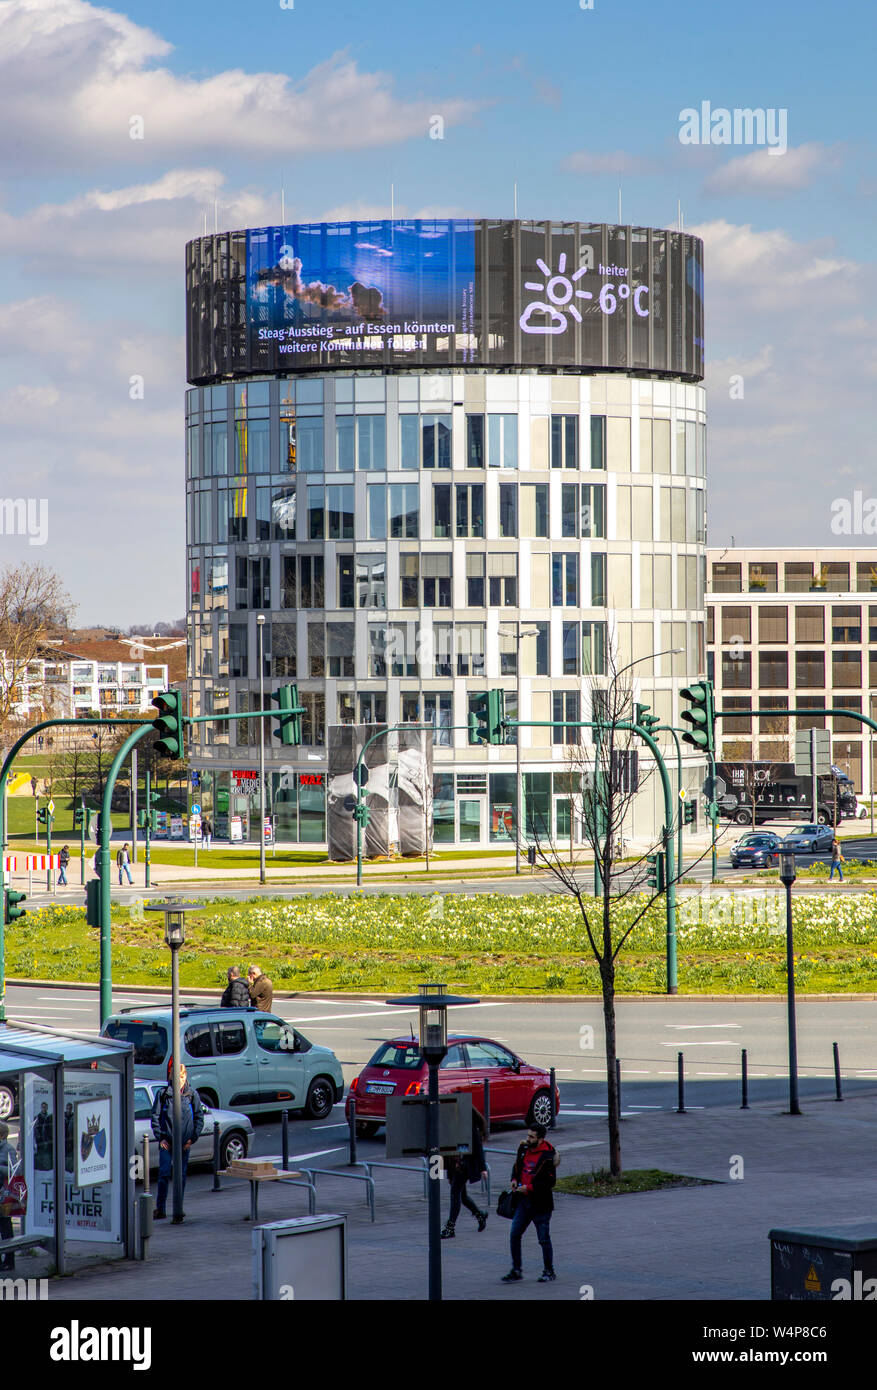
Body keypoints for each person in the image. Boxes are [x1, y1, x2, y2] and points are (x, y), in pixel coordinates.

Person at [502, 1122, 560, 1284]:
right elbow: (517, 1168)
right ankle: (516, 1269)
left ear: (540, 1139)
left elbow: (550, 1183)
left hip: (540, 1204)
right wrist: (514, 1180)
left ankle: (549, 1270)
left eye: (531, 1137)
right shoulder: (523, 1149)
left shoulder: (548, 1156)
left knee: (543, 1239)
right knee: (514, 1234)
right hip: (523, 1202)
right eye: (528, 1135)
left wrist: (529, 1187)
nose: (528, 1139)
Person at [151, 1060, 205, 1220]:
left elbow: (199, 1118)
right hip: (167, 1142)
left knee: (180, 1175)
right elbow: (155, 1116)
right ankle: (160, 1208)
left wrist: (192, 1139)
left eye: (181, 1077)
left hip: (184, 1143)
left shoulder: (191, 1094)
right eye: (175, 1077)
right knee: (164, 1174)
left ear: (185, 1076)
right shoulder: (163, 1094)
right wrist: (160, 1137)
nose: (178, 1081)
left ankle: (178, 1208)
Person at [441, 1113, 488, 1239]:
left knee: (455, 1193)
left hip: (464, 1166)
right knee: (462, 1195)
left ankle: (450, 1228)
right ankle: (480, 1215)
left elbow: (477, 1148)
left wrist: (483, 1168)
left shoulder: (468, 1125)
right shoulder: (452, 1124)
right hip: (455, 1165)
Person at [0, 1121, 20, 1271]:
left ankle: (9, 1260)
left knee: (6, 1228)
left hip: (4, 1194)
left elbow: (14, 1172)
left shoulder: (8, 1149)